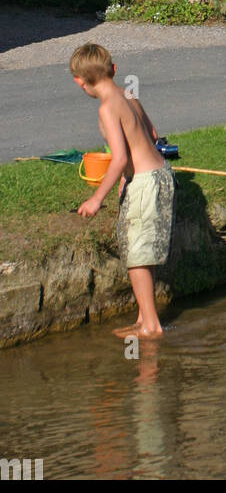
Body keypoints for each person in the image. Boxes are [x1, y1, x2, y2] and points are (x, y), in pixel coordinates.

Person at [71, 42, 176, 337]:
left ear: (79, 81)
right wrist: (126, 177)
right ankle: (144, 318)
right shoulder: (128, 94)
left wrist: (96, 198)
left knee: (136, 256)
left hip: (144, 183)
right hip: (161, 175)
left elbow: (118, 158)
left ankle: (151, 327)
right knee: (143, 249)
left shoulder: (107, 108)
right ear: (113, 70)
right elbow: (152, 134)